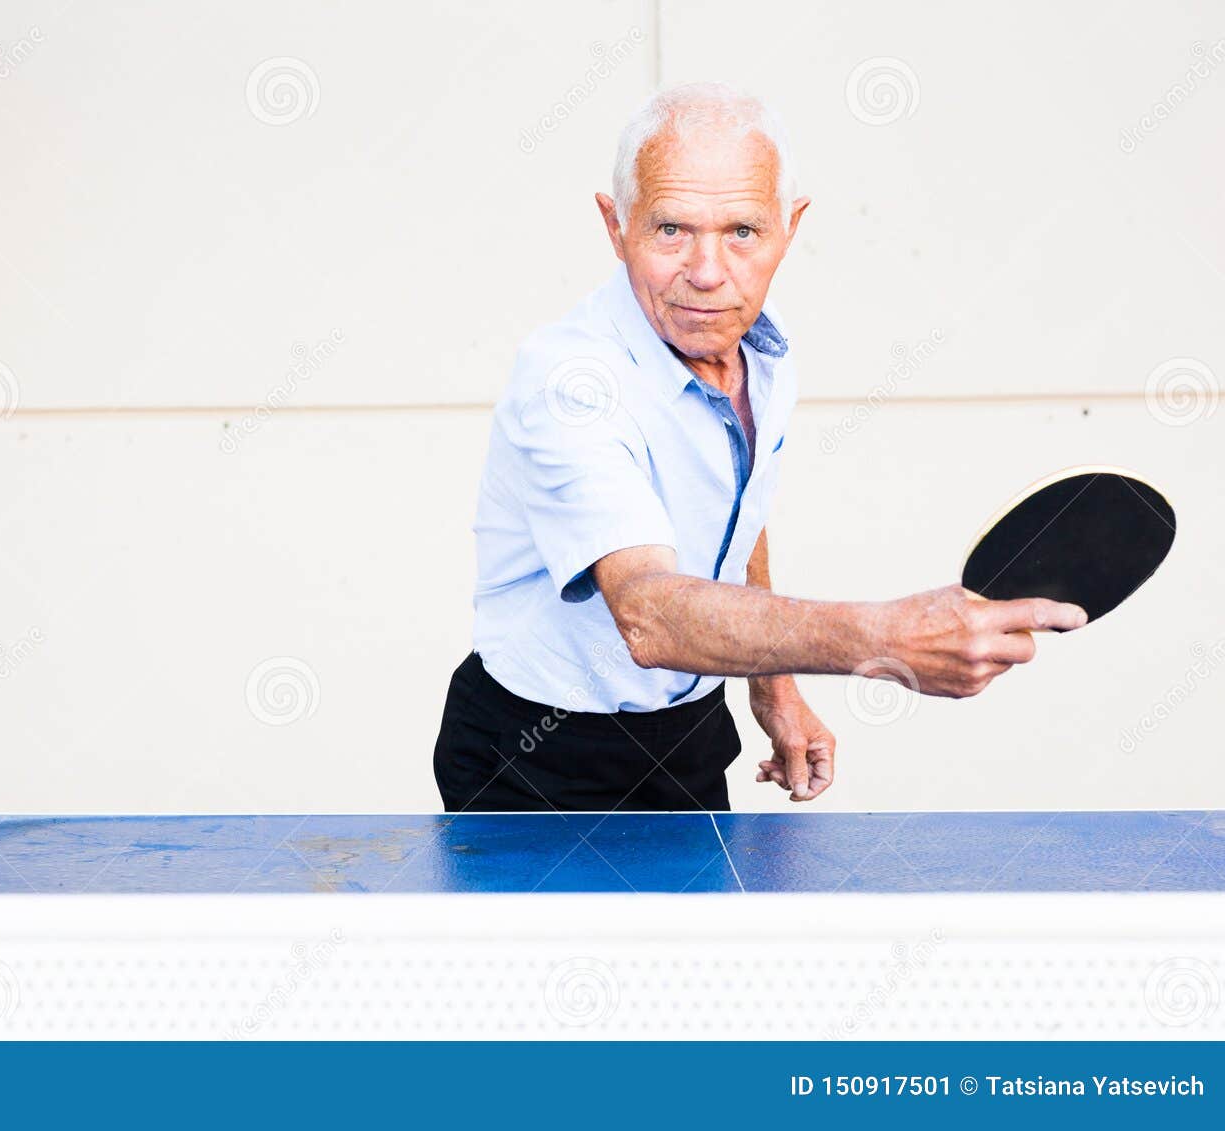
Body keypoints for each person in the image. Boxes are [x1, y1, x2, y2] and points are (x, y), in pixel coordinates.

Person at [432, 82, 1085, 814]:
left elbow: (737, 507)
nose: (708, 272)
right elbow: (648, 613)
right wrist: (884, 637)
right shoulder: (569, 384)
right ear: (616, 227)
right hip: (537, 756)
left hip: (688, 732)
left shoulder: (762, 353)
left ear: (789, 227)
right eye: (671, 229)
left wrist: (774, 690)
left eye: (742, 231)